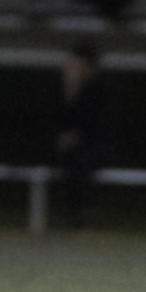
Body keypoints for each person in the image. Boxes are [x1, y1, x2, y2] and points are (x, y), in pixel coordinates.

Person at [55, 42, 109, 230]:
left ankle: (80, 211)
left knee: (78, 161)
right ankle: (73, 211)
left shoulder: (100, 89)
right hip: (77, 148)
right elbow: (62, 123)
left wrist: (76, 136)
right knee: (70, 157)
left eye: (76, 66)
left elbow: (97, 126)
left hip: (98, 147)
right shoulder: (66, 90)